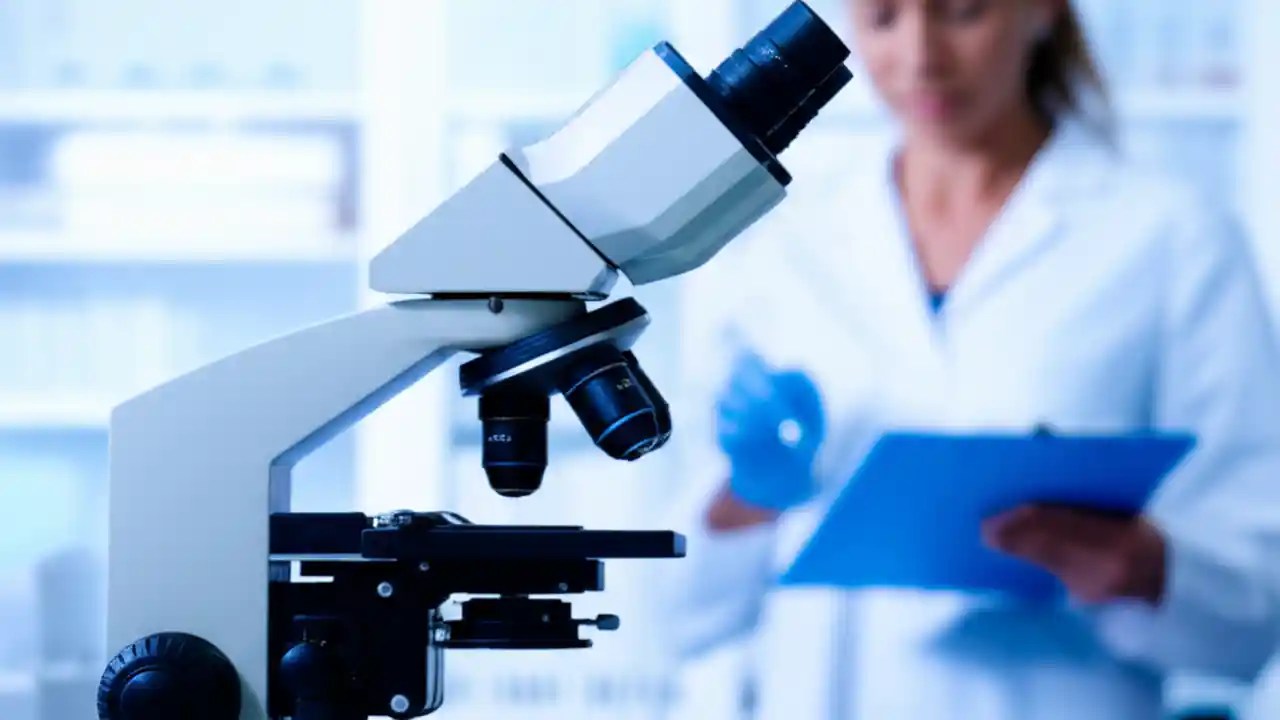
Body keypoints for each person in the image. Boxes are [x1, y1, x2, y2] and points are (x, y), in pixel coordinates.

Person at [662, 1, 1280, 719]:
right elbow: (679, 616)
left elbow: (1256, 601)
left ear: (1042, 11)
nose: (921, 55)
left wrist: (1139, 567)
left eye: (962, 12)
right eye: (884, 17)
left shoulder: (1171, 236)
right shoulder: (787, 245)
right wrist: (748, 497)